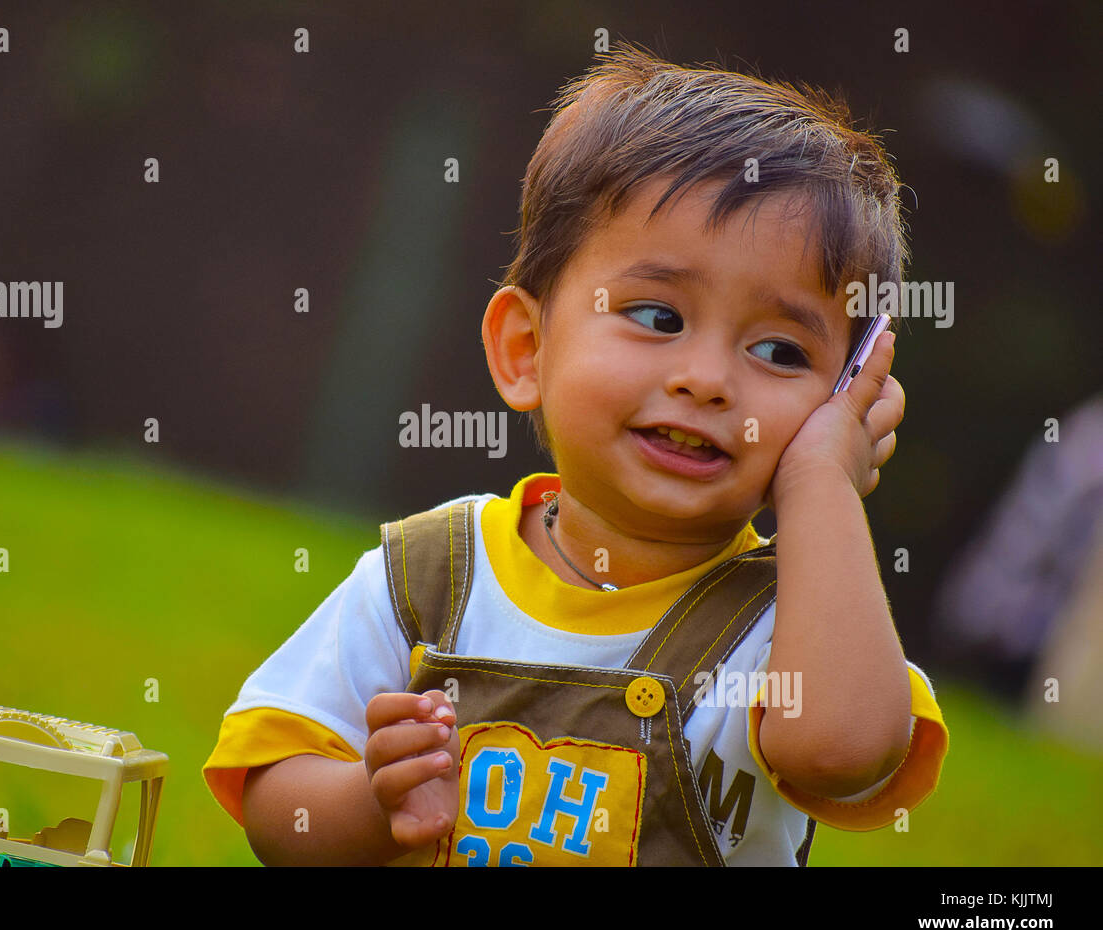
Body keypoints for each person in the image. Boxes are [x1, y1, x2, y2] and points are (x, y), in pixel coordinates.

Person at [204, 43, 948, 866]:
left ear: (848, 398)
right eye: (659, 318)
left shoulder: (792, 622)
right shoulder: (428, 579)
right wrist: (370, 802)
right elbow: (275, 801)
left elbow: (842, 751)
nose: (706, 380)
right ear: (526, 348)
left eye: (779, 351)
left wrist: (820, 484)